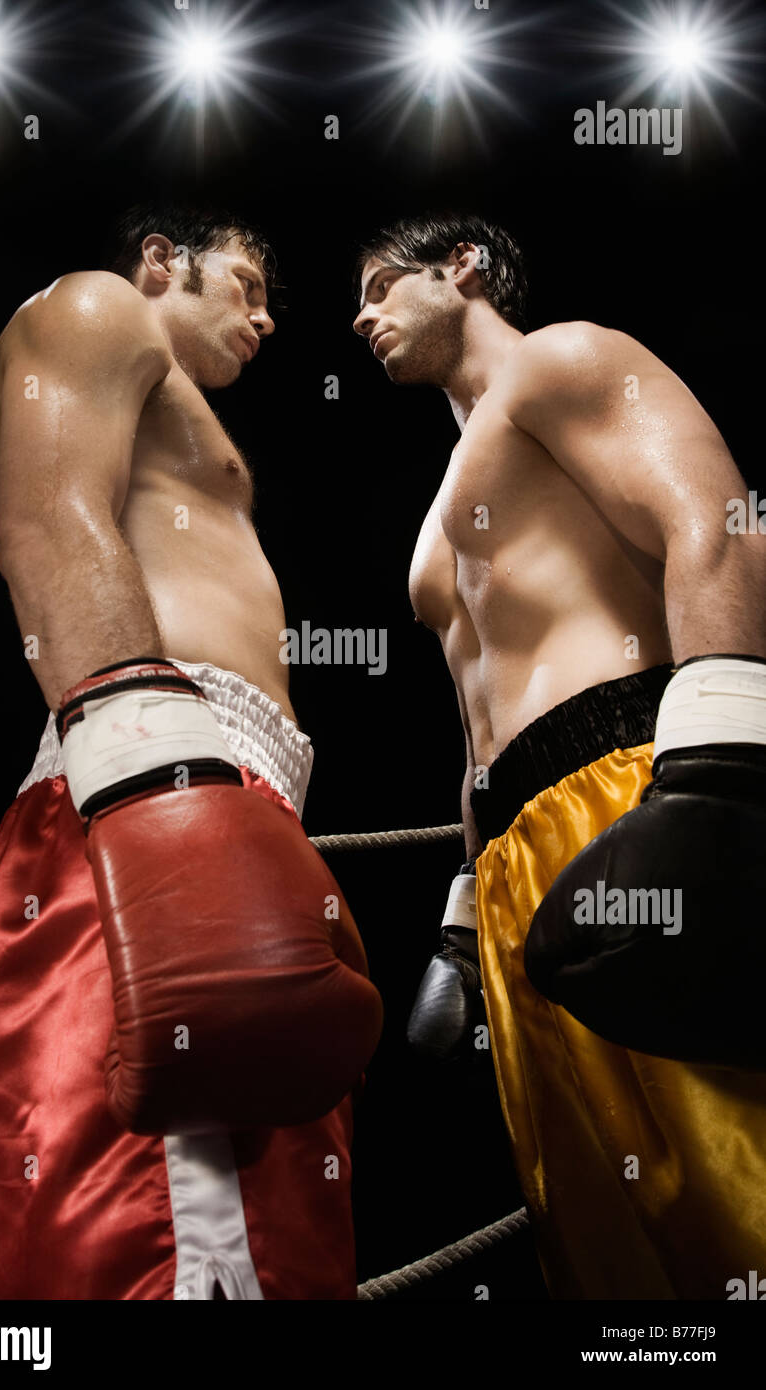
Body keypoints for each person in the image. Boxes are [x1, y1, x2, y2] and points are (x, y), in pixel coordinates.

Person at [353, 212, 766, 1299]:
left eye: (382, 285)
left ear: (464, 268)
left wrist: (724, 780)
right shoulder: (433, 520)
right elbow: (473, 720)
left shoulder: (561, 359)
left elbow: (717, 522)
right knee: (595, 1235)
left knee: (726, 1181)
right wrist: (457, 913)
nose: (362, 313)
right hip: (511, 871)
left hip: (639, 791)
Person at [0, 204, 383, 1301]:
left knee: (279, 1242)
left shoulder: (184, 407)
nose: (262, 316)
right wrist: (154, 774)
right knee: (157, 1241)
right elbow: (49, 516)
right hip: (145, 790)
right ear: (161, 261)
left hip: (225, 799)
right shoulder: (98, 308)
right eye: (244, 283)